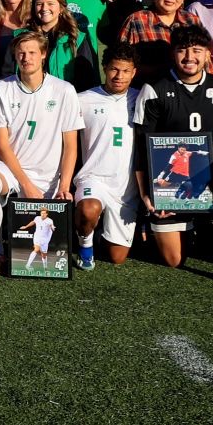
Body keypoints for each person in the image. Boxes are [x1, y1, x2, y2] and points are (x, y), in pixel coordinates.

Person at [133, 26, 213, 275]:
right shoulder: (153, 89)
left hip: (212, 183)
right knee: (174, 260)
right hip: (171, 189)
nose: (189, 57)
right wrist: (148, 194)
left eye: (197, 50)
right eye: (182, 50)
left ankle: (208, 222)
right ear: (173, 53)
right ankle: (187, 224)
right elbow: (141, 147)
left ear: (207, 54)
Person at [0, 30, 83, 278]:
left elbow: (70, 145)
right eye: (21, 53)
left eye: (32, 52)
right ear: (15, 56)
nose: (26, 58)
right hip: (11, 166)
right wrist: (24, 183)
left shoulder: (64, 90)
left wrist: (65, 185)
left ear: (44, 55)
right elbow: (1, 144)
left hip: (48, 172)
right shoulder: (0, 88)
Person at [73, 44, 141, 270]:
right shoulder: (82, 99)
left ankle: (99, 227)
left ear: (134, 72)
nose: (118, 76)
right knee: (88, 209)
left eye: (125, 71)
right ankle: (85, 246)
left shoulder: (143, 99)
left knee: (117, 257)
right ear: (104, 68)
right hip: (94, 179)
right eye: (113, 69)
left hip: (125, 188)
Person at [119, 0, 200, 85]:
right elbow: (121, 62)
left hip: (187, 93)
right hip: (147, 91)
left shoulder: (192, 21)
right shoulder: (137, 20)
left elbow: (205, 60)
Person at [21, 0, 98, 90]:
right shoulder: (21, 38)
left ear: (61, 8)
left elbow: (86, 80)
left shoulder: (76, 38)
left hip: (65, 101)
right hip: (29, 100)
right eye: (39, 4)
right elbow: (8, 74)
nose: (44, 8)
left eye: (50, 4)